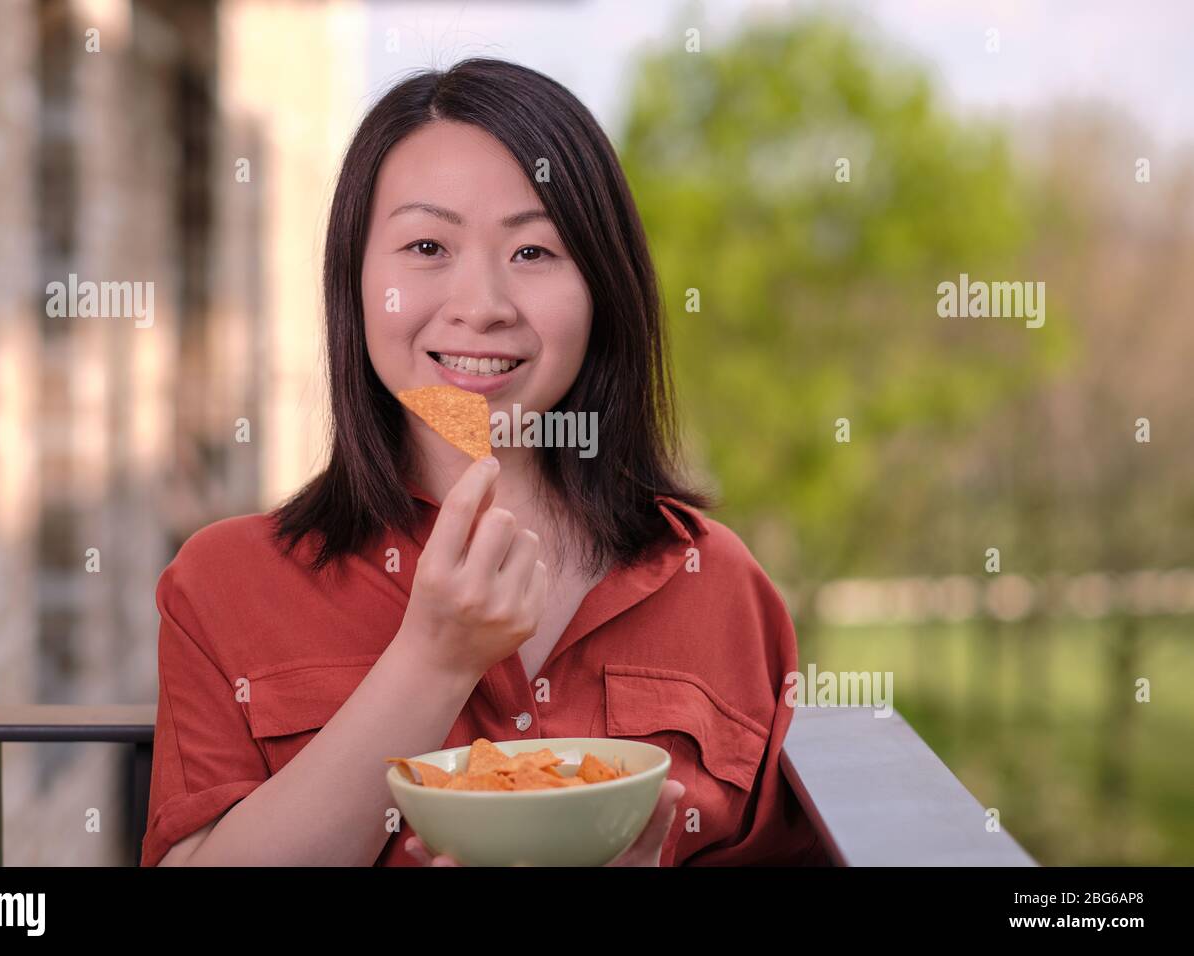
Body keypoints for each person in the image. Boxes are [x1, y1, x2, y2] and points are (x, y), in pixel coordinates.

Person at [141, 57, 825, 867]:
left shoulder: (717, 584)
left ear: (604, 288)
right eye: (427, 245)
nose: (482, 305)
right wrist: (433, 658)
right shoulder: (224, 584)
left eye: (534, 253)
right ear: (354, 284)